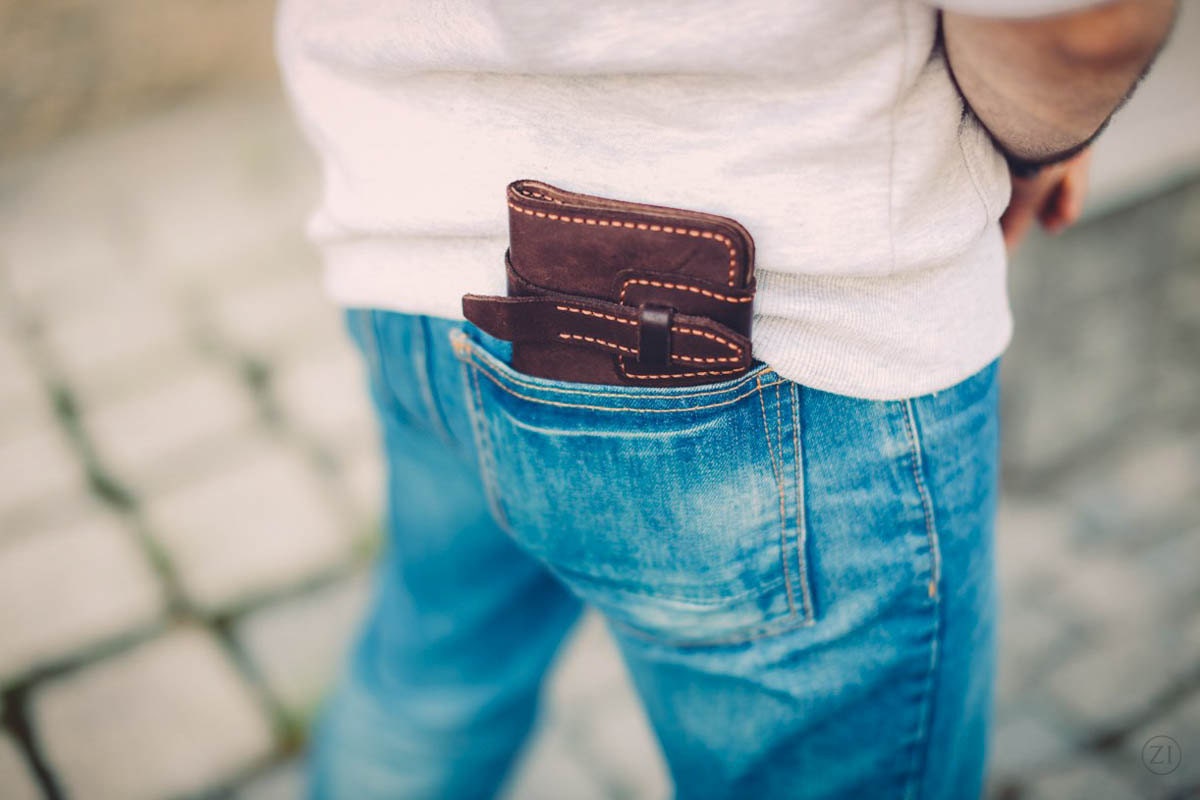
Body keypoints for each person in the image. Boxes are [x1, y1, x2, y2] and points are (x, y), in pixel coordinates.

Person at [275, 1, 1176, 797]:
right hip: (800, 369)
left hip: (397, 256)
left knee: (430, 680)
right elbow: (1083, 25)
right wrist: (1031, 145)